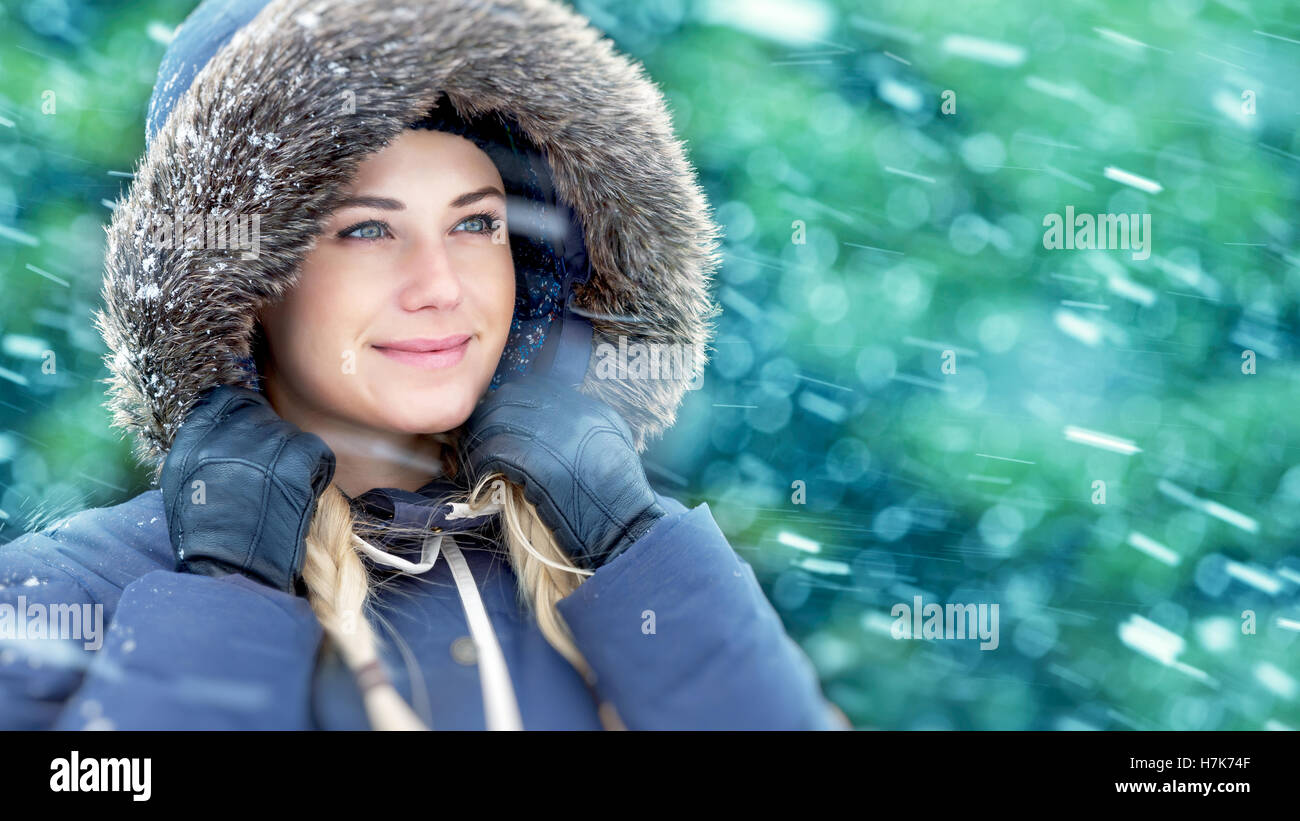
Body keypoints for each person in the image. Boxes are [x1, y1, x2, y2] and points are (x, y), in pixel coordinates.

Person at [0, 0, 850, 731]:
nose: (440, 285)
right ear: (245, 280)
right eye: (367, 229)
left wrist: (637, 552)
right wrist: (227, 591)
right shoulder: (67, 591)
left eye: (477, 223)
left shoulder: (622, 565)